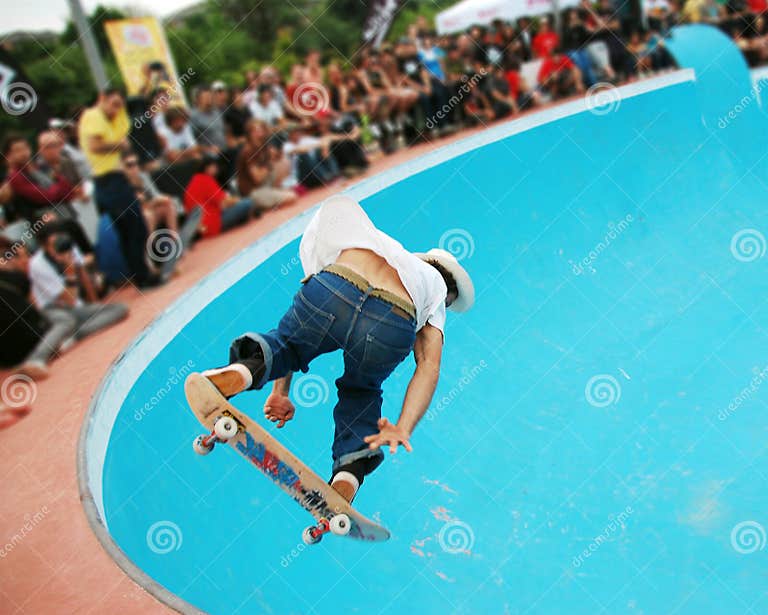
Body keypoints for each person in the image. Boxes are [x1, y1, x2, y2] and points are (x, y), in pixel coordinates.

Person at [197, 195, 475, 502]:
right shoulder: (435, 291)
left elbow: (294, 335)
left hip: (335, 286)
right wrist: (403, 427)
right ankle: (347, 476)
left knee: (287, 344)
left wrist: (280, 392)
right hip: (391, 320)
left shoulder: (382, 247)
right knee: (362, 393)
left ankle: (237, 374)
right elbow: (429, 367)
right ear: (448, 293)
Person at [78, 88, 162, 288]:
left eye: (119, 105)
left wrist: (118, 145)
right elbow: (95, 146)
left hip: (117, 177)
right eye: (113, 104)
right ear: (102, 99)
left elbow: (121, 141)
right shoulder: (92, 116)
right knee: (131, 227)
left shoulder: (118, 117)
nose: (116, 109)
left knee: (133, 228)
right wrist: (118, 145)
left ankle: (140, 272)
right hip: (106, 181)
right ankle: (141, 274)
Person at [183, 154, 254, 238]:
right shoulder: (205, 179)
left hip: (201, 227)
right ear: (207, 167)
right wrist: (238, 200)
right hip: (211, 225)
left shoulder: (195, 180)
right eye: (214, 166)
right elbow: (225, 201)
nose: (217, 169)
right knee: (247, 202)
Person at [122, 152, 178, 237]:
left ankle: (175, 240)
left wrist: (159, 200)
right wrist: (151, 203)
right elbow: (133, 208)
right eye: (130, 165)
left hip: (150, 208)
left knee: (168, 205)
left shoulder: (143, 177)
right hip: (136, 216)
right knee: (148, 215)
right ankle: (148, 248)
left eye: (136, 164)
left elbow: (155, 195)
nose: (135, 168)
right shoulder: (121, 183)